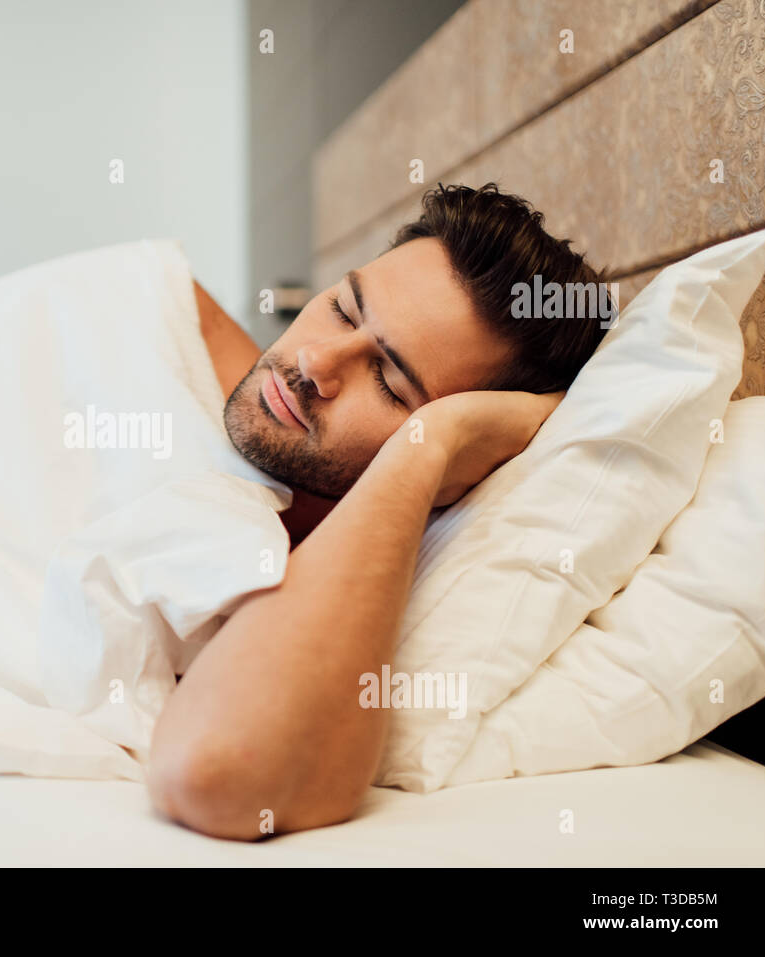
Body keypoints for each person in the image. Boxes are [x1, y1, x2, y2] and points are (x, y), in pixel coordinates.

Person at [148, 182, 610, 840]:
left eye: (390, 381)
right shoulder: (165, 312)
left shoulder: (325, 549)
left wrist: (433, 445)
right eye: (342, 308)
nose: (314, 360)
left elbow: (218, 769)